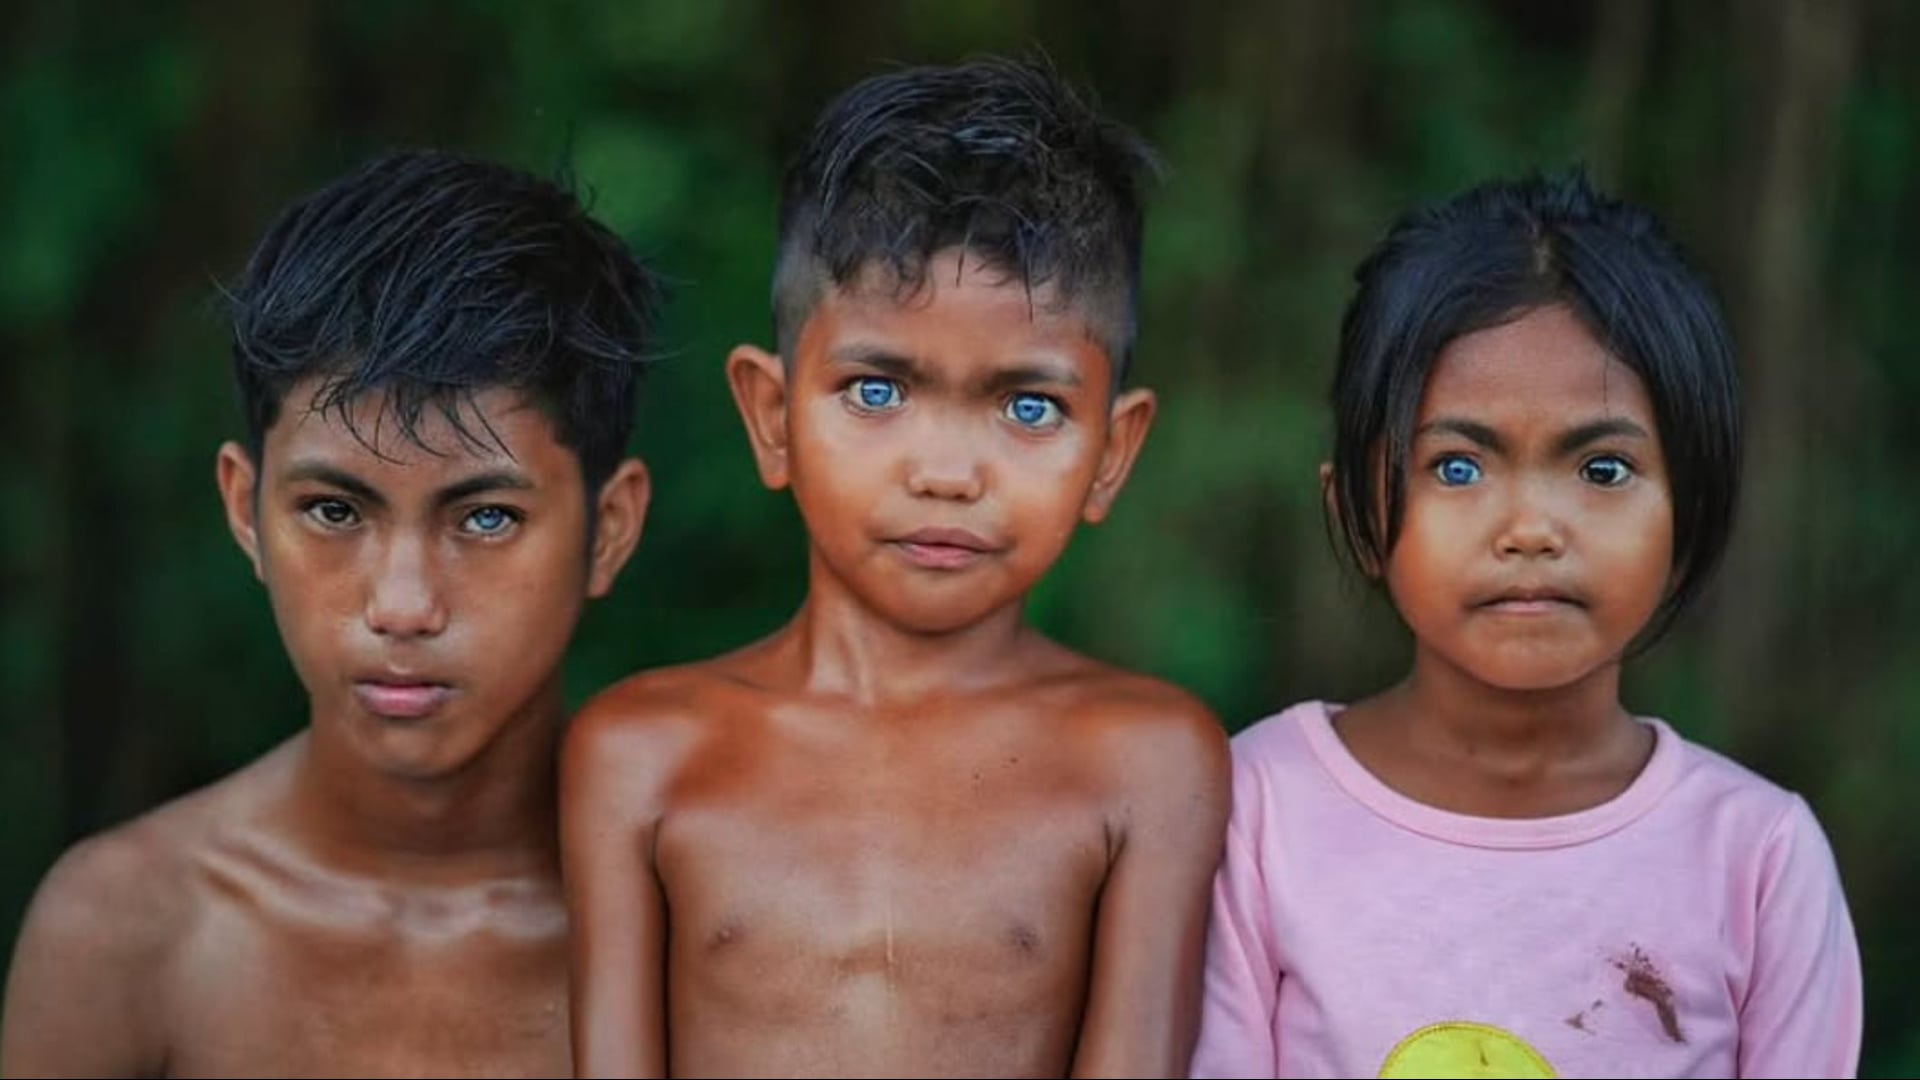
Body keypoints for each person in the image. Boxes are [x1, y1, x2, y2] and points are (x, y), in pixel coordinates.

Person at [561, 57, 1231, 1079]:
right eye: (877, 391)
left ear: (1112, 452)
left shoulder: (1147, 760)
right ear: (771, 416)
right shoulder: (642, 752)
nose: (946, 473)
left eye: (1031, 406)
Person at [1, 149, 661, 1078]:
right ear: (245, 510)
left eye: (485, 518)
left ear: (609, 530)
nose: (402, 607)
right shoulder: (130, 930)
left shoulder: (699, 930)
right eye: (334, 511)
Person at [1191, 171, 1862, 1079]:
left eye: (1603, 469)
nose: (1532, 529)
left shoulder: (1758, 861)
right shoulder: (1256, 811)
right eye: (1458, 467)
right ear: (1354, 511)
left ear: (1691, 510)